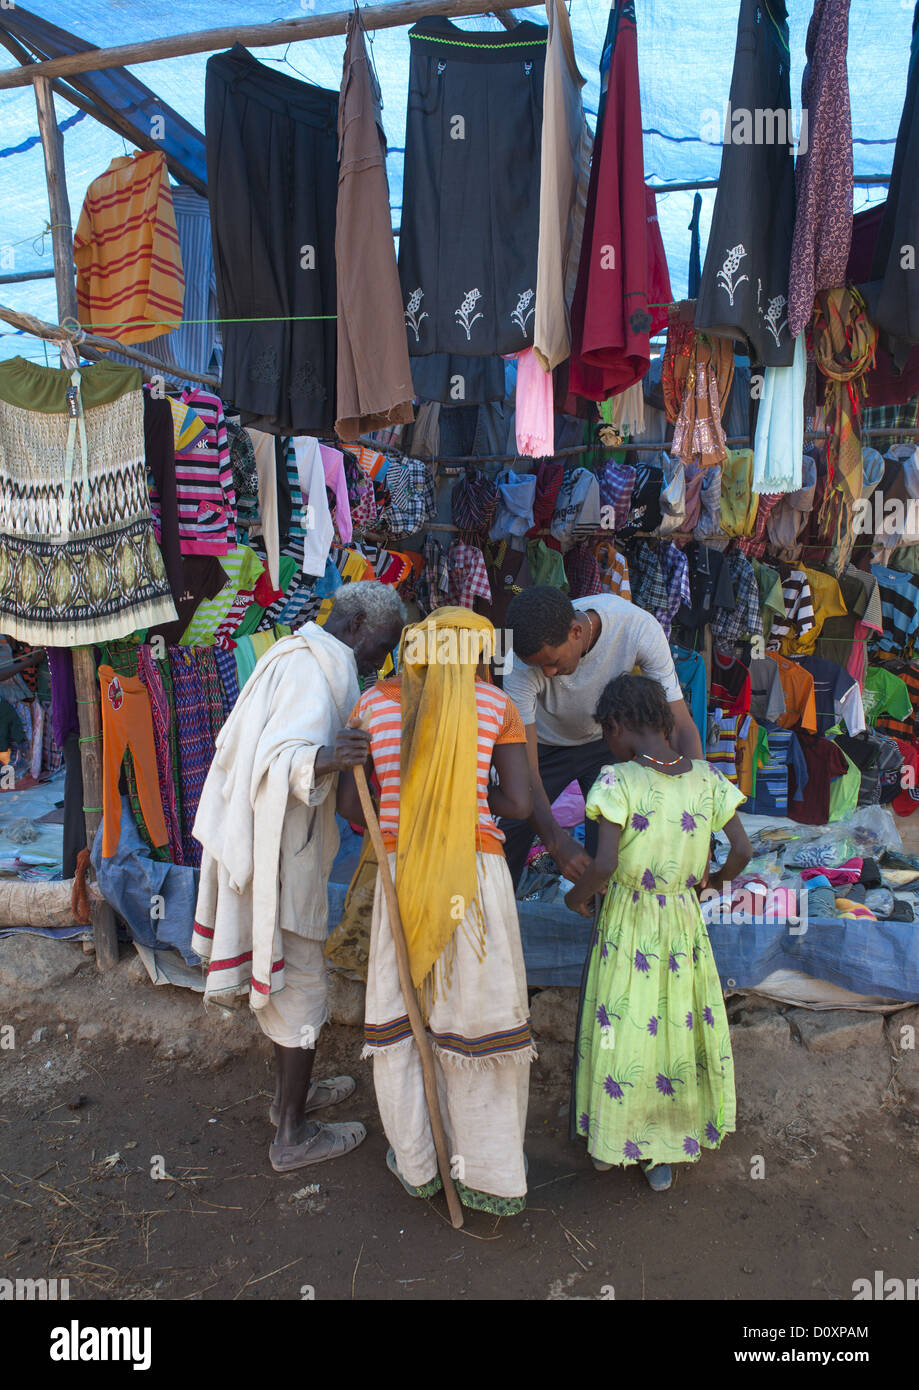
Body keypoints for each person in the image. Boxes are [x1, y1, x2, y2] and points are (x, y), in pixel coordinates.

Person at [191, 581, 406, 1173]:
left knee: (291, 981)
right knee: (303, 986)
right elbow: (277, 758)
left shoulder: (299, 651)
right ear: (358, 626)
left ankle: (296, 1096)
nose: (380, 662)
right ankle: (291, 1134)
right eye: (380, 647)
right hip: (281, 848)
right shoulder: (315, 670)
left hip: (281, 840)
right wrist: (329, 759)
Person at [338, 607, 535, 1215]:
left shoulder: (374, 705)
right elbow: (520, 803)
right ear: (476, 652)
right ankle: (489, 1173)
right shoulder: (495, 707)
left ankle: (421, 1162)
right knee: (476, 1020)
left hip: (402, 877)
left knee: (407, 1015)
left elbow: (352, 803)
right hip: (474, 879)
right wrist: (466, 799)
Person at [564, 674, 751, 1191]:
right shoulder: (707, 780)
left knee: (619, 1024)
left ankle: (611, 1139)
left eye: (607, 732)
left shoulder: (617, 780)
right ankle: (662, 1150)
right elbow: (743, 850)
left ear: (619, 725)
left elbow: (604, 862)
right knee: (675, 1025)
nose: (608, 743)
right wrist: (714, 882)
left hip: (629, 921)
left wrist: (575, 898)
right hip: (682, 922)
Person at [502, 586, 703, 887]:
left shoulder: (635, 627)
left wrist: (697, 803)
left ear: (576, 632)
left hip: (604, 744)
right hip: (542, 745)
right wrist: (557, 843)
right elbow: (527, 770)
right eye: (538, 666)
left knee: (611, 844)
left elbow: (680, 725)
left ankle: (603, 922)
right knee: (511, 830)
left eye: (552, 661)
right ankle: (497, 916)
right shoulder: (519, 662)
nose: (546, 672)